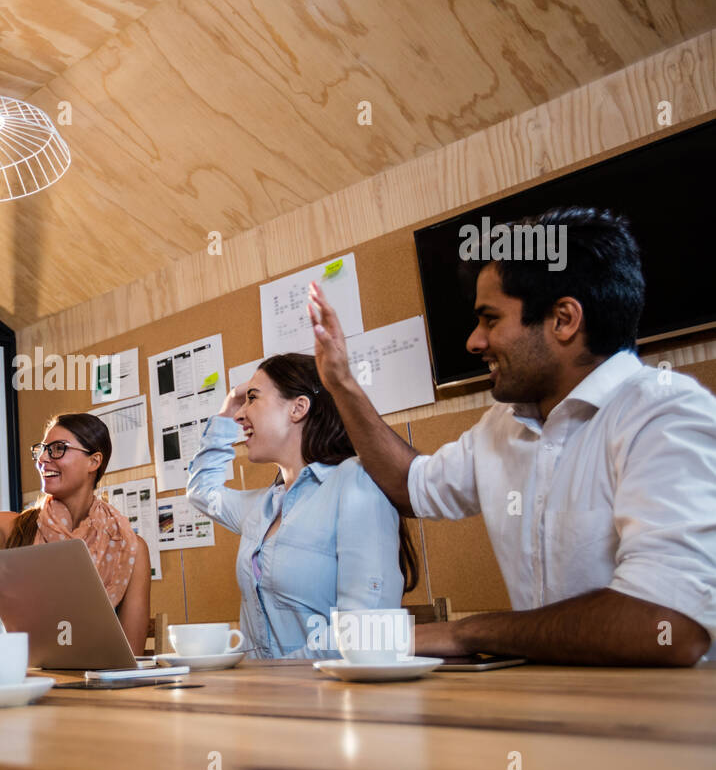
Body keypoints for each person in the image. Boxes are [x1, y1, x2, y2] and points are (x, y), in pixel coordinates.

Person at [307, 206, 716, 665]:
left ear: (563, 320)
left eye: (490, 319)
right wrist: (340, 380)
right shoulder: (502, 425)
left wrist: (469, 633)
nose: (474, 341)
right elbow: (409, 485)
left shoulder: (665, 412)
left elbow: (667, 625)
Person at [187, 354, 416, 658]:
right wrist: (227, 408)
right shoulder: (264, 505)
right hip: (265, 698)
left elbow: (366, 632)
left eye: (252, 399)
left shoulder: (355, 481)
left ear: (298, 408)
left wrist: (270, 680)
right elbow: (201, 491)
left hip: (331, 699)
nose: (241, 415)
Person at [0, 383, 151, 655]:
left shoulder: (130, 548)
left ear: (93, 462)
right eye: (42, 449)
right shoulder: (14, 530)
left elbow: (132, 656)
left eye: (58, 449)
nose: (44, 459)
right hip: (31, 684)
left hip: (101, 689)